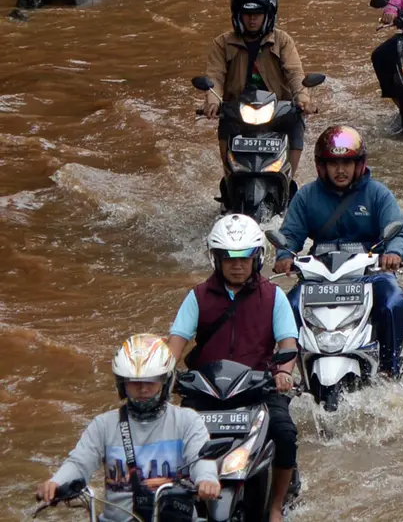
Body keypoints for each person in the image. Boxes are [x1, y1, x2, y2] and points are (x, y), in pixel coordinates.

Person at [169, 217, 298, 522]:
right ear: (216, 259)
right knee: (172, 441)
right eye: (228, 258)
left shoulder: (274, 296)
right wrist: (163, 375)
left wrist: (283, 373)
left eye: (244, 258)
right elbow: (174, 346)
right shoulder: (197, 297)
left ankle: (276, 505)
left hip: (259, 389)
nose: (237, 265)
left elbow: (288, 343)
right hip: (205, 391)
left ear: (257, 258)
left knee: (285, 433)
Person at [271, 126, 403, 377]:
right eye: (333, 163)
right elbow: (290, 235)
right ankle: (287, 372)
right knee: (286, 306)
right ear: (321, 166)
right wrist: (284, 256)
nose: (340, 170)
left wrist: (394, 253)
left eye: (347, 163)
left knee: (395, 303)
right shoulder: (306, 196)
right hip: (319, 276)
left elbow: (397, 231)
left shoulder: (377, 194)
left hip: (369, 274)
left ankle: (390, 368)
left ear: (359, 164)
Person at [37, 335, 223, 518]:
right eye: (134, 383)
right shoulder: (103, 425)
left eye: (150, 381)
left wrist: (206, 480)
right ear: (122, 384)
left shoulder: (187, 420)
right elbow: (79, 463)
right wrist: (56, 482)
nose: (143, 389)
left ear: (165, 381)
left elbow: (201, 459)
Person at [206, 0, 309, 184]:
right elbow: (214, 75)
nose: (252, 19)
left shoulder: (283, 41)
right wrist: (213, 100)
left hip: (278, 108)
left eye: (258, 14)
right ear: (238, 15)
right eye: (247, 14)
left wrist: (303, 98)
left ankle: (288, 179)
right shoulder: (222, 43)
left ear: (268, 15)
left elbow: (295, 72)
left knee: (296, 122)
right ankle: (229, 178)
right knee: (225, 125)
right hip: (238, 108)